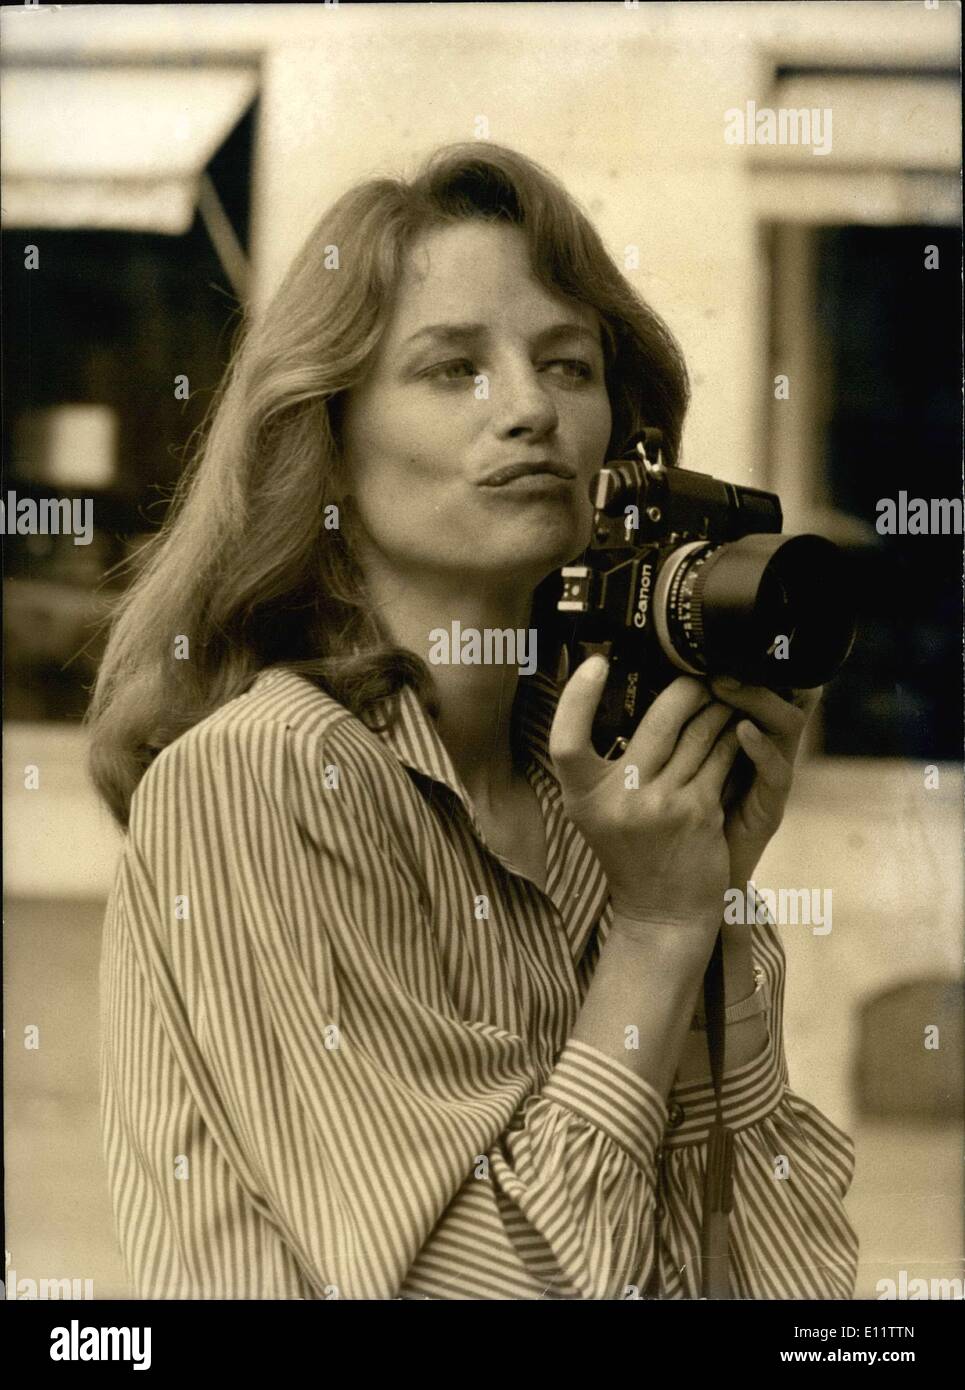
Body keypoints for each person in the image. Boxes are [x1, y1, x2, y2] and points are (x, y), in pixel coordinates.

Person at [90, 142, 859, 1300]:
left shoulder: (590, 785)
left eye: (565, 364)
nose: (530, 409)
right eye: (452, 369)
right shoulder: (256, 778)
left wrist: (711, 914)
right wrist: (654, 938)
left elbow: (787, 1295)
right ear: (329, 442)